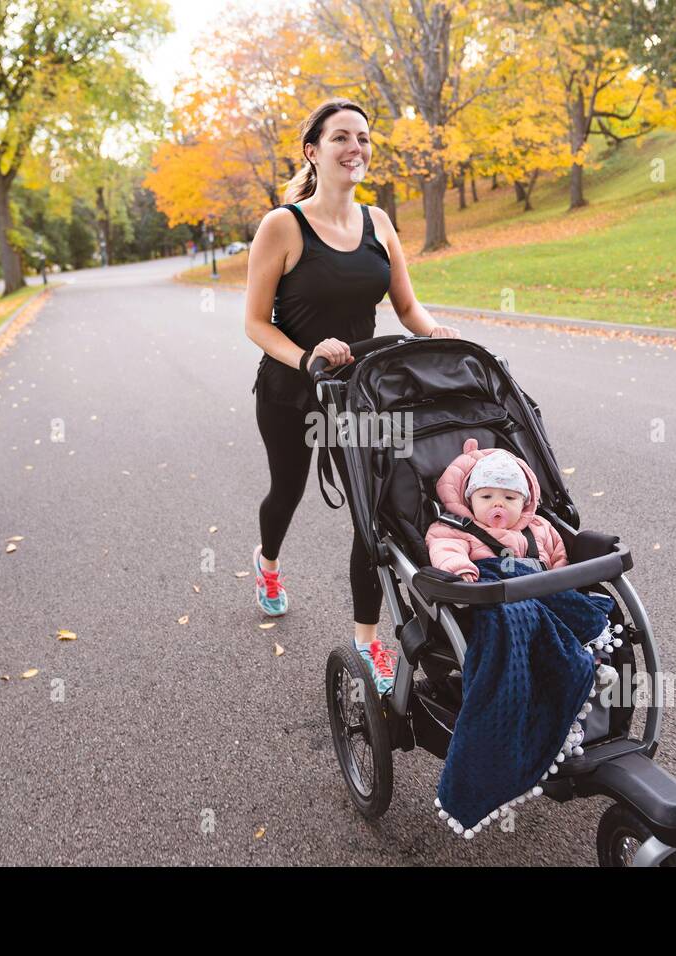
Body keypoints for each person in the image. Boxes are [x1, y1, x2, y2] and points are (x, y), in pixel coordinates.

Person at [244, 97, 460, 694]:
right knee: (286, 490)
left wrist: (438, 334)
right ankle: (267, 565)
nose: (355, 148)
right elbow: (256, 323)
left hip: (361, 393)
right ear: (313, 151)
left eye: (363, 138)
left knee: (374, 517)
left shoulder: (379, 223)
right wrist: (307, 356)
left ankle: (369, 646)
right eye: (341, 137)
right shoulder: (282, 225)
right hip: (292, 390)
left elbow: (407, 306)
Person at [424, 438, 568, 581]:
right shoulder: (456, 530)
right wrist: (460, 568)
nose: (498, 504)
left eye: (510, 498)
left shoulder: (539, 527)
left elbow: (559, 557)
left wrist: (562, 582)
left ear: (524, 503)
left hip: (543, 586)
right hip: (495, 590)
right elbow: (447, 549)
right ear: (470, 502)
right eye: (486, 497)